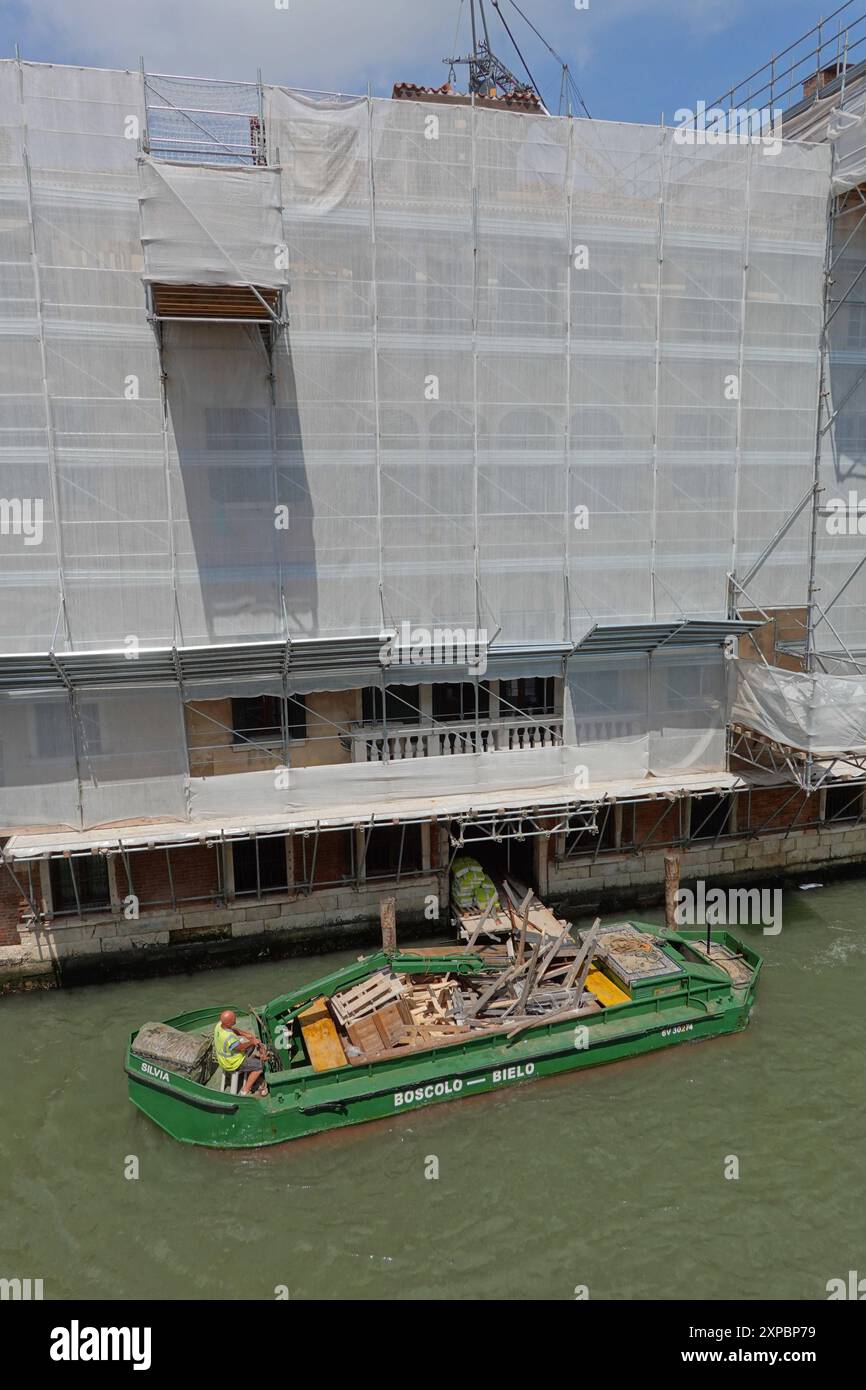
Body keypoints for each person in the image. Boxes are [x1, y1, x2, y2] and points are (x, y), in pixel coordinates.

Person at [213, 1009, 268, 1096]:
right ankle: (245, 1090)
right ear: (228, 1022)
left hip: (223, 1059)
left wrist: (245, 1034)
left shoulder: (219, 1025)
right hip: (233, 1063)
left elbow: (232, 1029)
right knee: (260, 1066)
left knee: (251, 1044)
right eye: (234, 1019)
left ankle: (249, 1066)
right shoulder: (229, 1037)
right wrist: (252, 1041)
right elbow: (241, 1048)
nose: (235, 1019)